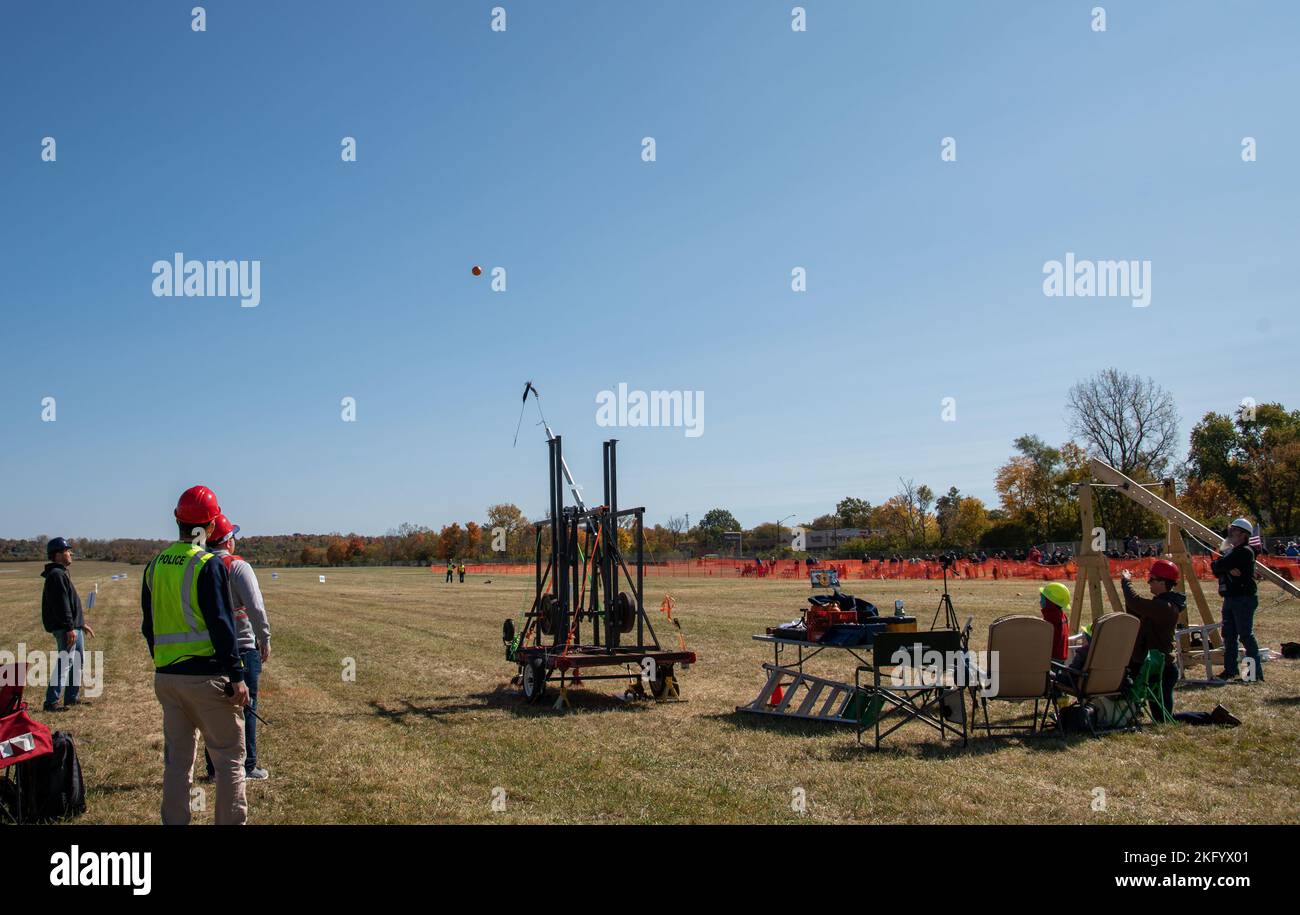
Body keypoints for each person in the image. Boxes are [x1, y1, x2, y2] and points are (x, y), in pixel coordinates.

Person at [142, 485, 249, 825]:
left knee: (177, 763)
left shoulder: (155, 564)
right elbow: (222, 626)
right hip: (207, 679)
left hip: (167, 678)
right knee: (230, 757)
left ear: (178, 521)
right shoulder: (208, 564)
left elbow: (149, 626)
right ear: (212, 526)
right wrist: (237, 676)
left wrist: (164, 663)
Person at [202, 514, 271, 782]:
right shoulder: (238, 567)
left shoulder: (201, 565)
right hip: (243, 646)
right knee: (247, 707)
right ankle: (247, 765)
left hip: (210, 650)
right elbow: (256, 607)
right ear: (228, 540)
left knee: (214, 714)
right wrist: (264, 638)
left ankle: (214, 769)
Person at [1120, 561, 1183, 721]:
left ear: (1162, 583)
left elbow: (1134, 601)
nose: (1149, 582)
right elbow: (1136, 609)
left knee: (1164, 719)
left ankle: (1207, 717)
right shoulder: (1160, 604)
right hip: (1154, 665)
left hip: (1162, 669)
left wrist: (1126, 581)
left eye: (1152, 579)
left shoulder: (1165, 607)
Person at [41, 537, 95, 711]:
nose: (70, 553)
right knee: (66, 661)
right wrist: (69, 627)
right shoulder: (56, 575)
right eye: (67, 551)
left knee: (77, 661)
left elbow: (70, 603)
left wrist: (80, 624)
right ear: (57, 555)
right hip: (66, 628)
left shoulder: (61, 573)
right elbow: (61, 604)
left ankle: (72, 698)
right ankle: (51, 702)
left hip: (74, 627)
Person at [1211, 518, 1261, 682]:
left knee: (1245, 636)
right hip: (1231, 598)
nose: (1230, 533)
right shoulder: (1232, 552)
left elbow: (1219, 566)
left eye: (1234, 531)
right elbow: (1216, 567)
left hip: (1243, 598)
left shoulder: (1244, 551)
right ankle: (1230, 670)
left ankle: (1252, 674)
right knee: (1229, 635)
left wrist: (1223, 566)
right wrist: (1225, 566)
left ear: (1243, 535)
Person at [1038, 581, 1071, 663]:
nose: (1040, 601)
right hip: (1061, 658)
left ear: (1050, 602)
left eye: (1042, 598)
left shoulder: (1051, 618)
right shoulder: (1062, 615)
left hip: (1051, 660)